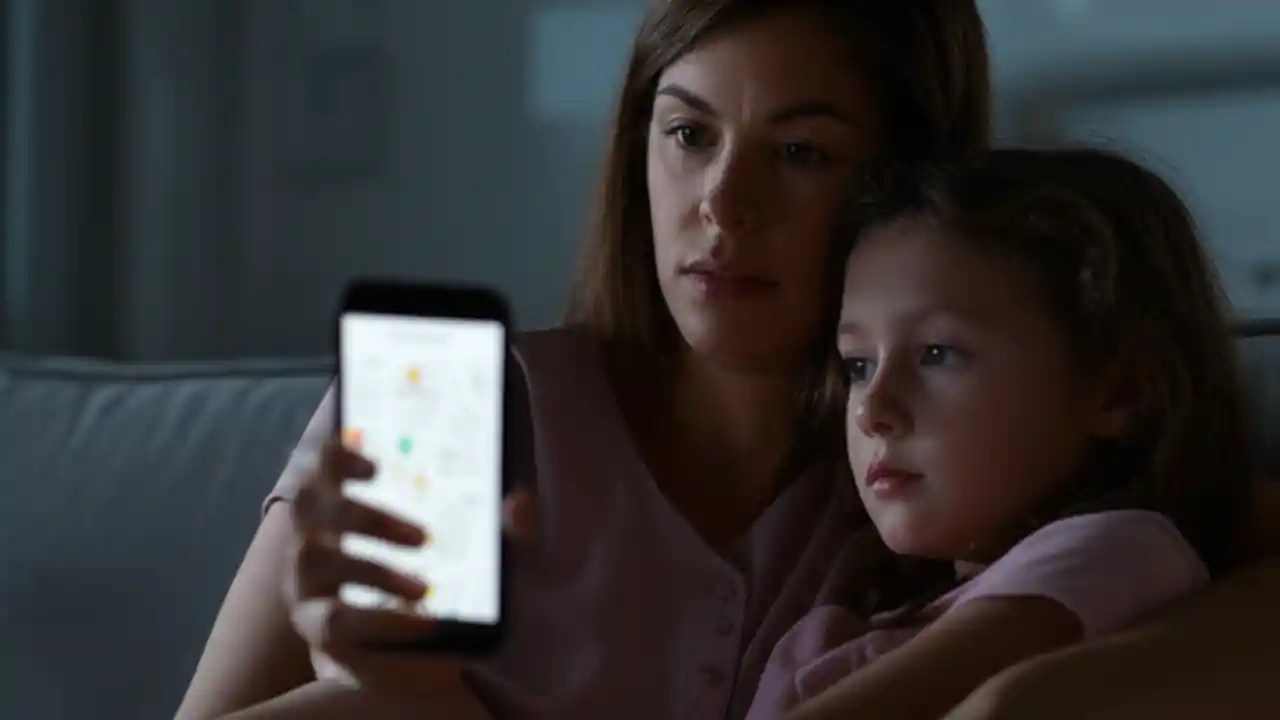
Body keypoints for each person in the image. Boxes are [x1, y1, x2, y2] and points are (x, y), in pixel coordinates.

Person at [175, 1, 1280, 718]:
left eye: (798, 153)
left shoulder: (944, 477)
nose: (723, 204)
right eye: (688, 134)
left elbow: (1199, 534)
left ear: (898, 183)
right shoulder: (476, 416)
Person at [744, 148, 1253, 719]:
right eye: (858, 366)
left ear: (1120, 394)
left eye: (937, 354)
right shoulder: (835, 624)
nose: (873, 410)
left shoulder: (1115, 552)